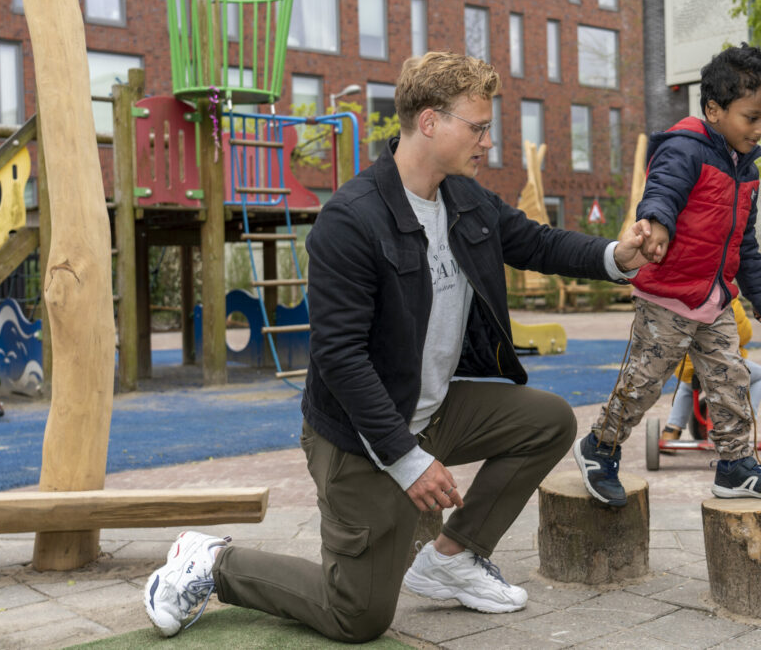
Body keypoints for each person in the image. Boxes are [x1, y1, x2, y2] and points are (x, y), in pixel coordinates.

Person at [143, 51, 654, 642]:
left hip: (430, 411)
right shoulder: (352, 220)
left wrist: (616, 258)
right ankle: (210, 563)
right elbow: (338, 357)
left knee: (547, 421)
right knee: (356, 614)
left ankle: (452, 558)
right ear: (431, 122)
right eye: (478, 126)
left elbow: (536, 243)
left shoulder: (465, 199)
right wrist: (407, 462)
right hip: (359, 436)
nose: (487, 142)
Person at [574, 43, 761, 506]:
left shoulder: (747, 171)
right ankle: (599, 447)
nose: (760, 130)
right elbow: (661, 192)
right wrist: (657, 222)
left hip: (715, 300)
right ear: (713, 109)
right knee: (644, 383)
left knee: (731, 381)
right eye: (751, 117)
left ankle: (736, 467)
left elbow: (745, 243)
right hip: (667, 298)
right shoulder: (685, 149)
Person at [660, 296, 761, 452]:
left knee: (687, 387)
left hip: (693, 367)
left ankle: (672, 430)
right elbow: (744, 335)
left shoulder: (682, 298)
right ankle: (746, 419)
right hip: (726, 367)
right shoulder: (730, 300)